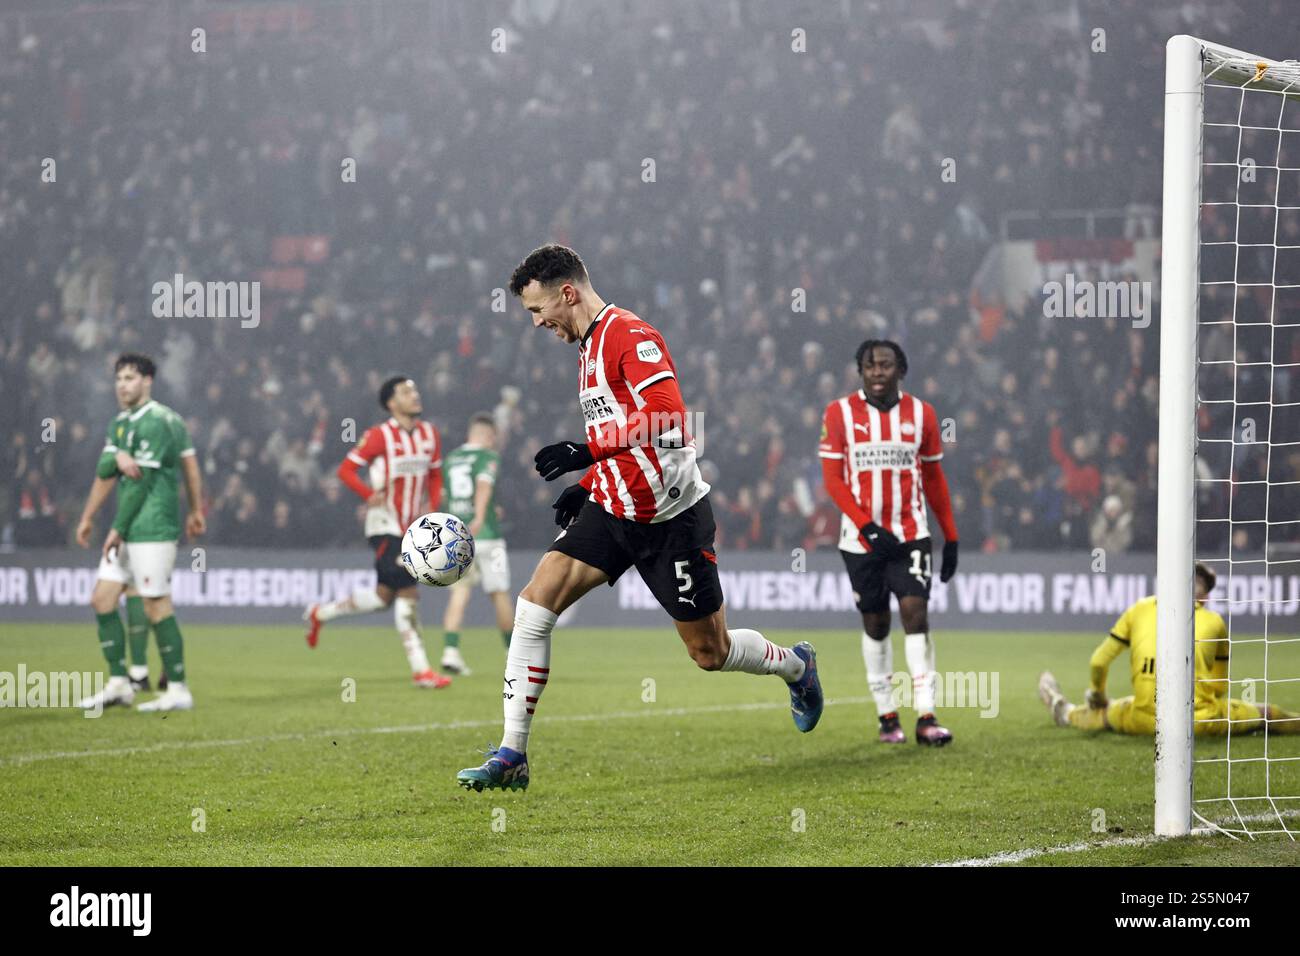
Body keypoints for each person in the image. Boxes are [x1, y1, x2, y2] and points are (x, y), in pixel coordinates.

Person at [457, 244, 823, 792]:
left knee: (710, 652)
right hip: (612, 507)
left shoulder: (630, 335)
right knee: (535, 604)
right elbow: (629, 435)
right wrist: (588, 483)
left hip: (671, 518)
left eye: (538, 310)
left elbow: (669, 416)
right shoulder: (585, 348)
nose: (537, 324)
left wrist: (586, 451)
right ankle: (513, 753)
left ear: (567, 293)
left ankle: (795, 665)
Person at [819, 339, 959, 746]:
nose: (877, 371)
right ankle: (886, 716)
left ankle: (927, 715)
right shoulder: (839, 413)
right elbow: (833, 479)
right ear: (860, 370)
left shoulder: (922, 414)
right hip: (861, 541)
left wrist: (951, 535)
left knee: (915, 613)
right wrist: (866, 525)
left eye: (885, 364)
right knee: (876, 623)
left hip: (910, 535)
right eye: (869, 365)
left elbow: (933, 479)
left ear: (901, 369)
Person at [302, 376, 451, 689]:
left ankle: (320, 613)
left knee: (384, 597)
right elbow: (345, 470)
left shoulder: (429, 434)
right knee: (409, 590)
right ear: (391, 403)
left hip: (412, 526)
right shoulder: (378, 436)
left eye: (415, 389)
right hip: (384, 524)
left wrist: (432, 509)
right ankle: (422, 671)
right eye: (407, 392)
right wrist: (368, 494)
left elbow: (435, 476)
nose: (415, 394)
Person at [76, 353, 205, 712]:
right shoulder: (119, 423)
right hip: (129, 526)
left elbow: (142, 480)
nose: (122, 384)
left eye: (130, 378)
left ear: (148, 381)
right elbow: (106, 473)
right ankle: (119, 683)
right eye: (119, 378)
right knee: (102, 599)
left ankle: (178, 688)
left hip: (153, 526)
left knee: (155, 604)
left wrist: (194, 509)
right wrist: (88, 516)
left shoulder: (158, 421)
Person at [1038, 563, 1300, 736]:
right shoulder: (1215, 621)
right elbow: (1219, 688)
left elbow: (1098, 661)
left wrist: (1097, 694)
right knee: (1267, 714)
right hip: (1199, 723)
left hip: (1144, 720)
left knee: (1108, 712)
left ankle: (1065, 710)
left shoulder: (1139, 609)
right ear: (1206, 596)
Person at [438, 413, 514, 676]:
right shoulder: (487, 457)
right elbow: (483, 485)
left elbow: (444, 497)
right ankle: (512, 655)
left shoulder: (450, 460)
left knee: (459, 594)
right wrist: (481, 515)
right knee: (499, 593)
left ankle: (450, 652)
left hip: (458, 537)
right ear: (488, 435)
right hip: (487, 537)